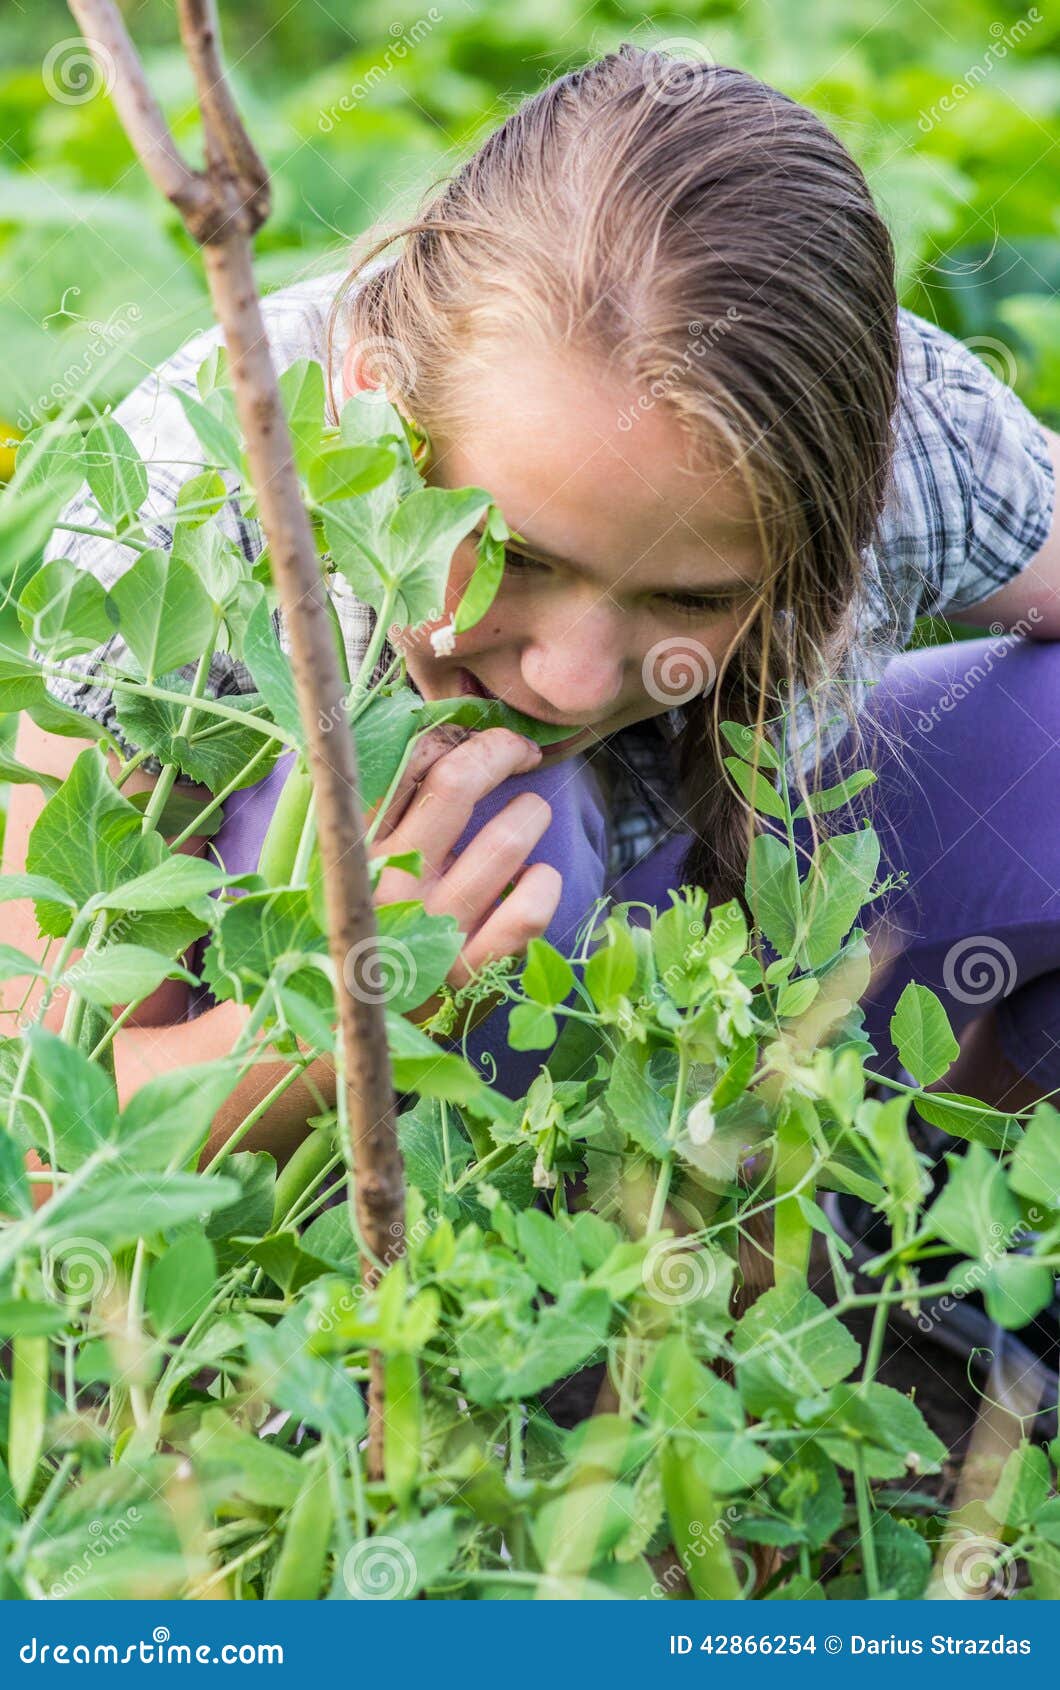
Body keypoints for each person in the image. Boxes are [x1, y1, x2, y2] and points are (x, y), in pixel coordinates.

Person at [4, 46, 1059, 1164]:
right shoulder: (195, 500)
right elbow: (33, 1126)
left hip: (715, 950)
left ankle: (905, 1224)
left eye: (693, 595)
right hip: (294, 1052)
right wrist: (352, 1016)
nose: (569, 682)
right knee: (500, 823)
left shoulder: (910, 442)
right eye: (512, 555)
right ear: (374, 407)